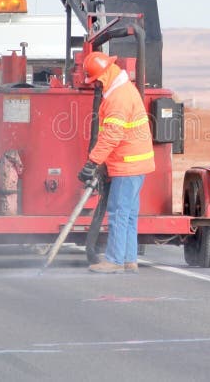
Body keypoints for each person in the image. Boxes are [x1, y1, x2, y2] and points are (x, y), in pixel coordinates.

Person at [78, 52, 155, 274]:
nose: (96, 85)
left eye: (96, 81)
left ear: (103, 76)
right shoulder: (122, 89)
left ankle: (114, 260)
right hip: (135, 164)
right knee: (129, 213)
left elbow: (112, 135)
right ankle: (129, 259)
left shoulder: (118, 98)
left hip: (128, 164)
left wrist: (92, 162)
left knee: (118, 212)